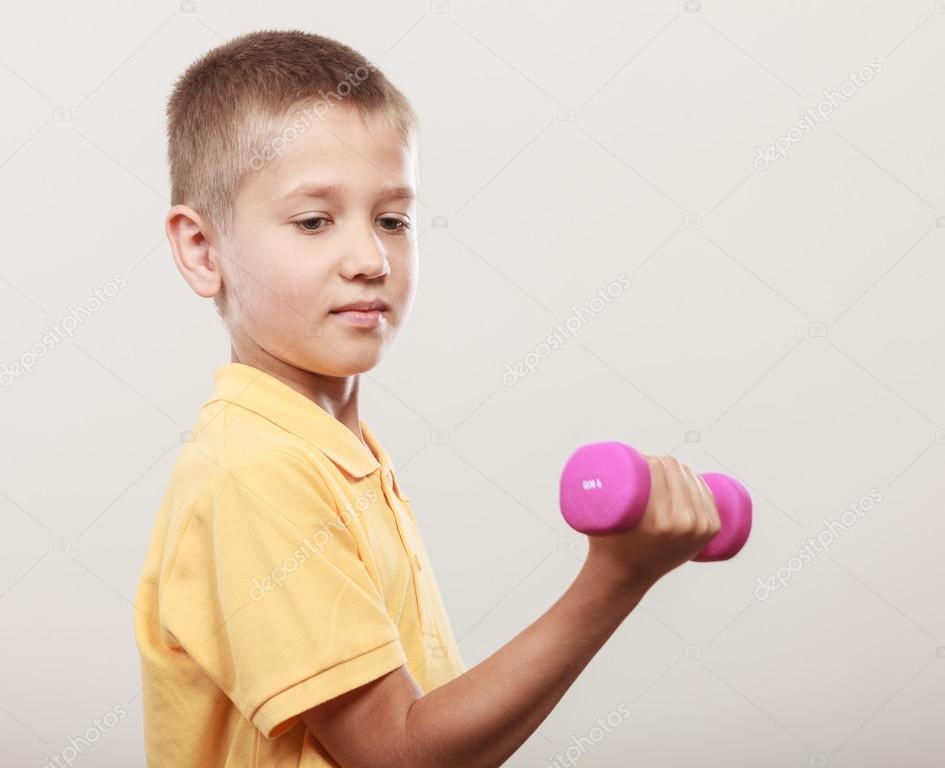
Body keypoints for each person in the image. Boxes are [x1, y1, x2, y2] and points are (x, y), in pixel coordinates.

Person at [133, 29, 720, 768]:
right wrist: (614, 580)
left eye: (393, 220)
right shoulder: (255, 471)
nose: (370, 259)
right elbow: (401, 755)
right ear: (201, 249)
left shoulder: (331, 450)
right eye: (314, 220)